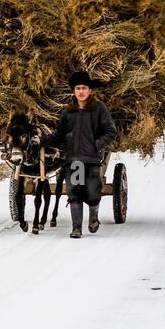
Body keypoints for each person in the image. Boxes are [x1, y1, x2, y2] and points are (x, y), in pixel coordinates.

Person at [39, 71, 117, 238]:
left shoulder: (99, 109)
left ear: (89, 90)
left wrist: (97, 145)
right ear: (73, 91)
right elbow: (58, 134)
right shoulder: (69, 112)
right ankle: (76, 228)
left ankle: (94, 217)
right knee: (74, 192)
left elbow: (111, 131)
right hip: (74, 160)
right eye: (78, 88)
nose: (81, 91)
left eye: (84, 88)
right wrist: (43, 141)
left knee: (93, 192)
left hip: (92, 160)